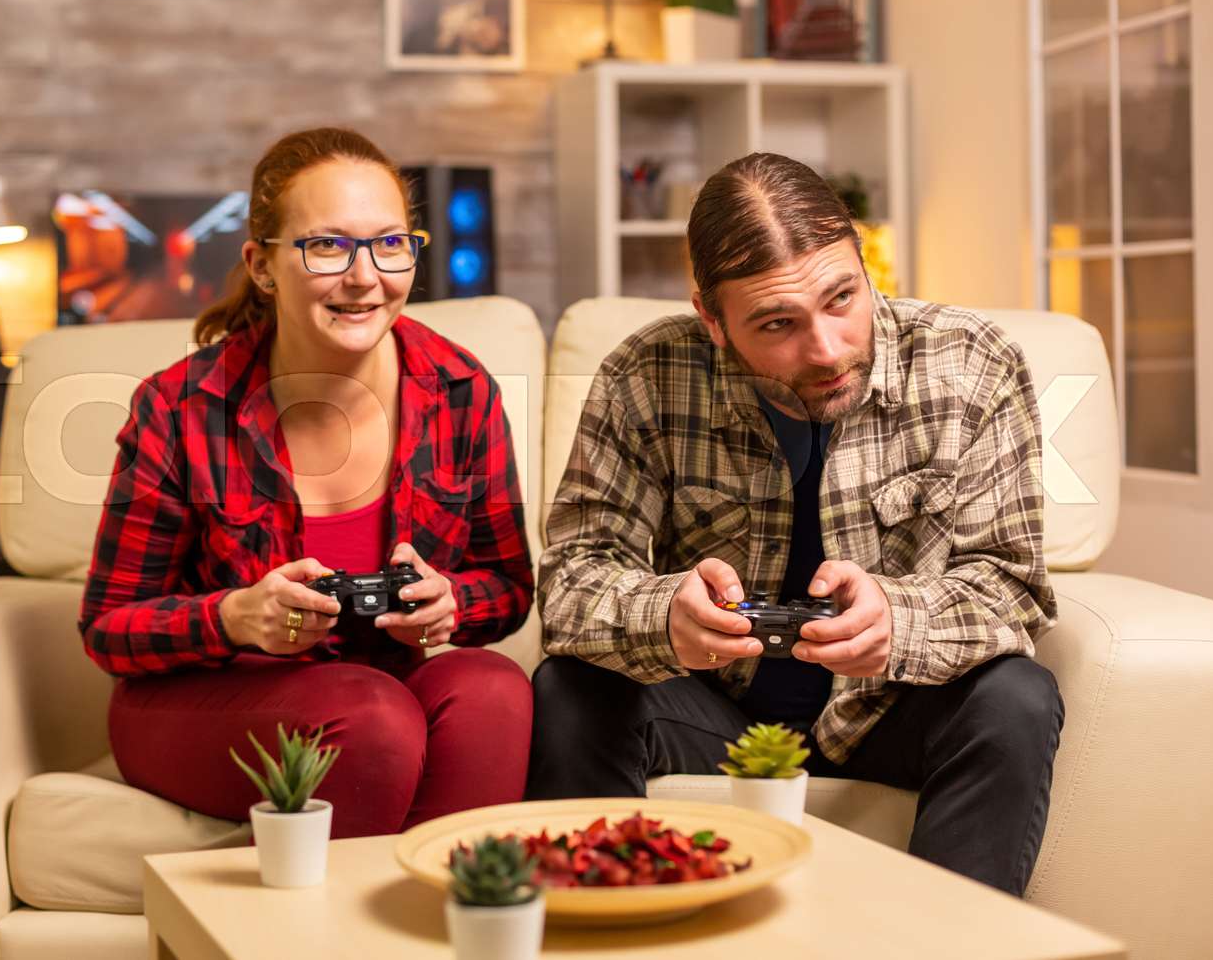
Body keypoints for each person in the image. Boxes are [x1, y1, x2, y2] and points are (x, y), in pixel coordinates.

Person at [528, 151, 1062, 896]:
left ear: (865, 266)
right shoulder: (644, 376)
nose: (827, 349)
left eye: (843, 297)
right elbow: (573, 579)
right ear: (711, 320)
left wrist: (896, 620)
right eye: (777, 323)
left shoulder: (972, 364)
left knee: (1018, 696)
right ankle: (598, 936)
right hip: (719, 714)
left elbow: (1011, 588)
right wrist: (663, 612)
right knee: (571, 686)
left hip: (893, 709)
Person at [81, 127, 535, 837]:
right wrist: (235, 615)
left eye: (390, 243)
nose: (365, 276)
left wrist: (450, 605)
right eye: (328, 246)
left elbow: (508, 586)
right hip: (212, 694)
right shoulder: (180, 406)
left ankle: (441, 930)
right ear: (262, 266)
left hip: (379, 684)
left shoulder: (460, 388)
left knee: (493, 691)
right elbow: (108, 628)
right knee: (372, 716)